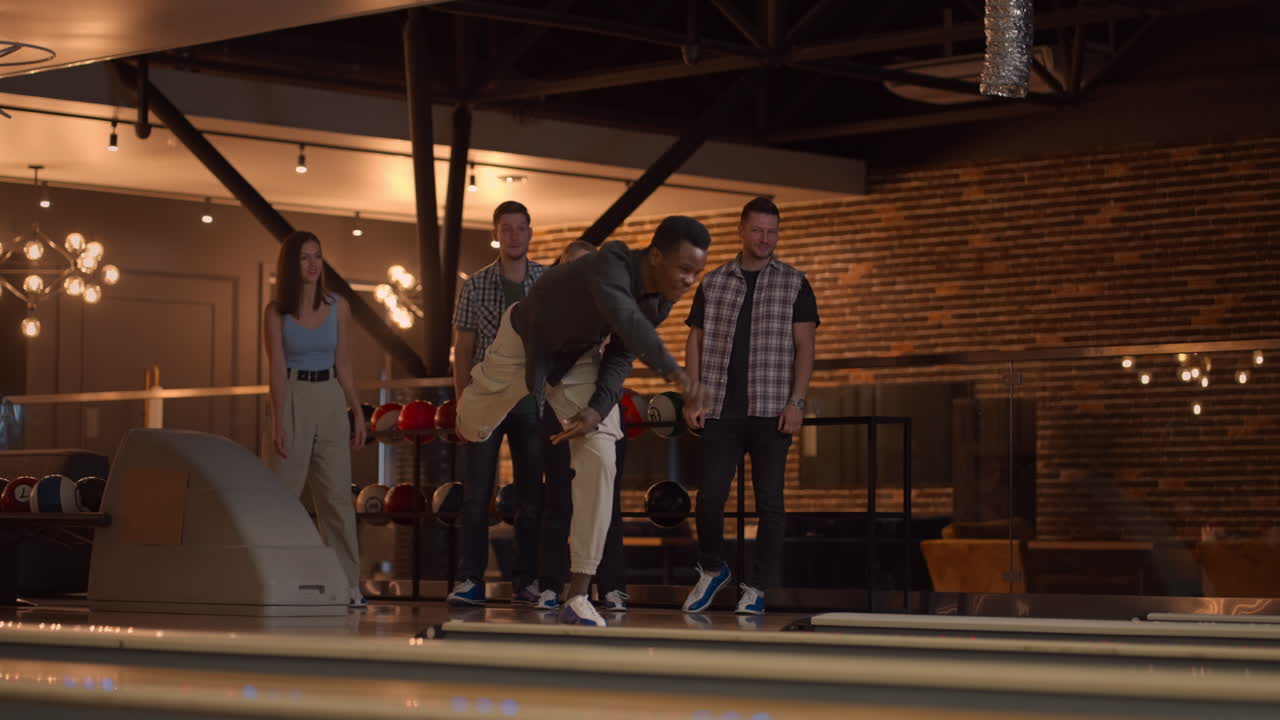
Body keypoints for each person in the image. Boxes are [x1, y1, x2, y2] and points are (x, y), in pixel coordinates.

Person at [456, 215, 711, 626]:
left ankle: (577, 594)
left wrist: (597, 408)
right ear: (656, 257)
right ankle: (473, 414)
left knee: (602, 454)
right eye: (684, 269)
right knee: (471, 425)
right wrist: (679, 376)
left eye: (696, 273)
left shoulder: (660, 300)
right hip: (522, 344)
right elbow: (626, 320)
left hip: (575, 360)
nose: (689, 281)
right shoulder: (609, 263)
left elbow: (622, 352)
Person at [682, 197, 819, 616]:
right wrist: (693, 396)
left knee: (770, 503)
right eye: (757, 230)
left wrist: (797, 401)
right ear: (741, 230)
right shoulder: (714, 282)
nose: (765, 238)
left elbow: (805, 346)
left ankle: (757, 587)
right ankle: (712, 568)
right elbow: (695, 340)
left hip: (772, 410)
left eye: (772, 232)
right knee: (709, 498)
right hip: (720, 409)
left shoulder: (795, 283)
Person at [448, 201, 547, 607]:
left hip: (531, 403)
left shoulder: (546, 281)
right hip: (485, 403)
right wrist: (462, 407)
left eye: (521, 228)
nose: (514, 235)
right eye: (507, 228)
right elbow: (462, 348)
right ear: (496, 234)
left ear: (530, 232)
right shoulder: (475, 285)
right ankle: (470, 579)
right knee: (476, 496)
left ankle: (526, 581)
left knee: (531, 497)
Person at [263, 230, 367, 609]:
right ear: (291, 264)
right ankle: (275, 579)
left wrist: (357, 411)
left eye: (317, 256)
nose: (312, 264)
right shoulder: (276, 312)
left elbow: (344, 364)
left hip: (330, 397)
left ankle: (348, 584)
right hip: (293, 395)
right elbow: (276, 369)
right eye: (304, 257)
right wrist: (278, 420)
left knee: (337, 499)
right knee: (283, 497)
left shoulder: (338, 306)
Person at [533, 240, 629, 613]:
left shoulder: (615, 305)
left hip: (600, 405)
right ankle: (551, 584)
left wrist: (599, 408)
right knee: (559, 497)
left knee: (604, 492)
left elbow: (619, 362)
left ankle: (605, 585)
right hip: (557, 403)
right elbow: (544, 365)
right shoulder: (545, 306)